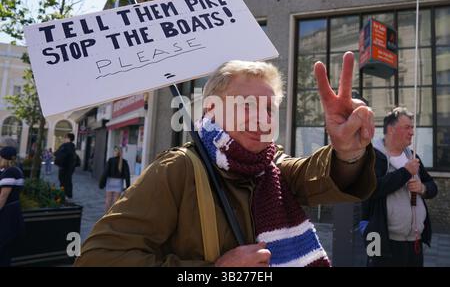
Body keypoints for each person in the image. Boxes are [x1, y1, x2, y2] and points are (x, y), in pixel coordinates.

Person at [75, 52, 377, 267]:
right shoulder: (177, 169)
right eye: (246, 105)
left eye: (269, 109)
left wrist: (347, 153)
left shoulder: (273, 164)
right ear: (210, 110)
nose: (261, 118)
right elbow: (97, 257)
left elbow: (315, 176)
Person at [361, 107, 438, 267]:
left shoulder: (413, 156)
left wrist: (422, 188)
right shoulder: (372, 156)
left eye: (412, 128)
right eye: (407, 127)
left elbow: (432, 187)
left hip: (414, 241)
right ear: (391, 129)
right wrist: (405, 172)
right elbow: (372, 189)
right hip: (382, 241)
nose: (412, 132)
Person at [0, 146, 25, 266]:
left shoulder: (10, 172)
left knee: (3, 247)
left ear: (4, 158)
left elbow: (3, 197)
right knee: (5, 248)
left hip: (7, 214)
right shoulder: (17, 169)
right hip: (13, 212)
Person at [99, 147, 130, 212]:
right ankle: (113, 214)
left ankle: (106, 215)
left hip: (110, 181)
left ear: (115, 152)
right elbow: (127, 175)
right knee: (116, 201)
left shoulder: (110, 160)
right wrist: (128, 186)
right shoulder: (124, 162)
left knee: (108, 199)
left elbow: (105, 172)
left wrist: (101, 183)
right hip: (118, 182)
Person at [54, 133, 77, 201]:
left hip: (64, 166)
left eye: (65, 137)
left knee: (63, 181)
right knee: (68, 180)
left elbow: (56, 153)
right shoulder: (73, 146)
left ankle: (63, 194)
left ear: (69, 138)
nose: (64, 138)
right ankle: (68, 195)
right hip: (70, 167)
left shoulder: (65, 146)